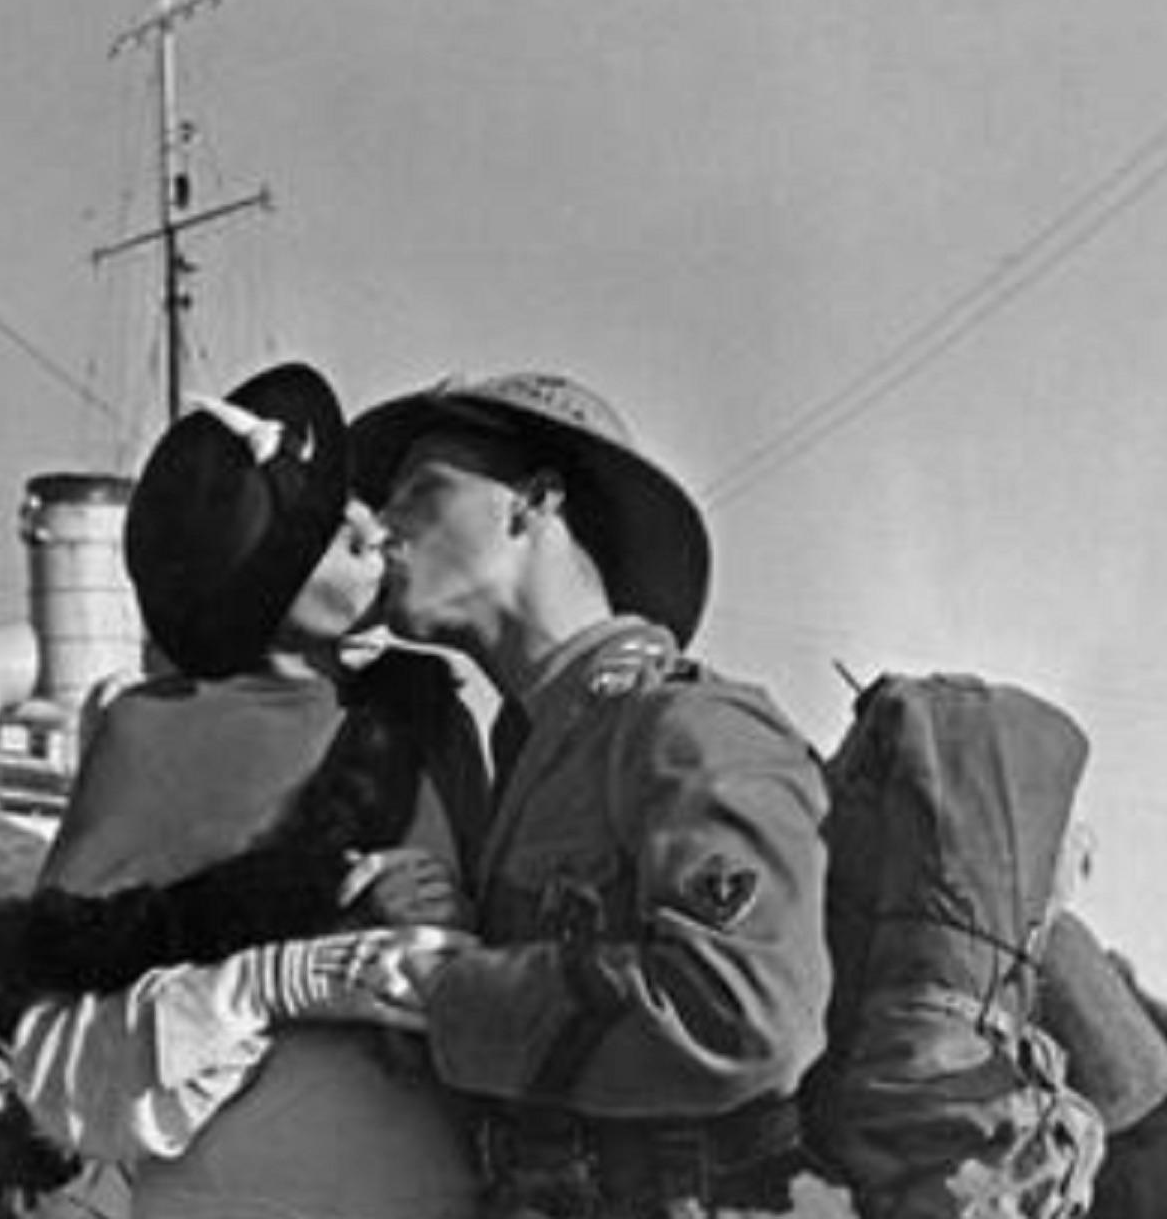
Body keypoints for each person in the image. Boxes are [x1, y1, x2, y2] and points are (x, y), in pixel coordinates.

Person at [0, 361, 489, 1218]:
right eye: (330, 526)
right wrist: (268, 982)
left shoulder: (428, 717)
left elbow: (505, 971)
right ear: (259, 579)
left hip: (431, 1189)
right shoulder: (153, 734)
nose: (373, 529)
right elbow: (58, 1061)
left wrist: (450, 913)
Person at [348, 371, 851, 1219]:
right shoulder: (536, 758)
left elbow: (742, 1014)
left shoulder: (687, 725)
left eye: (420, 492)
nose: (379, 528)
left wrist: (446, 990)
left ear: (534, 502)